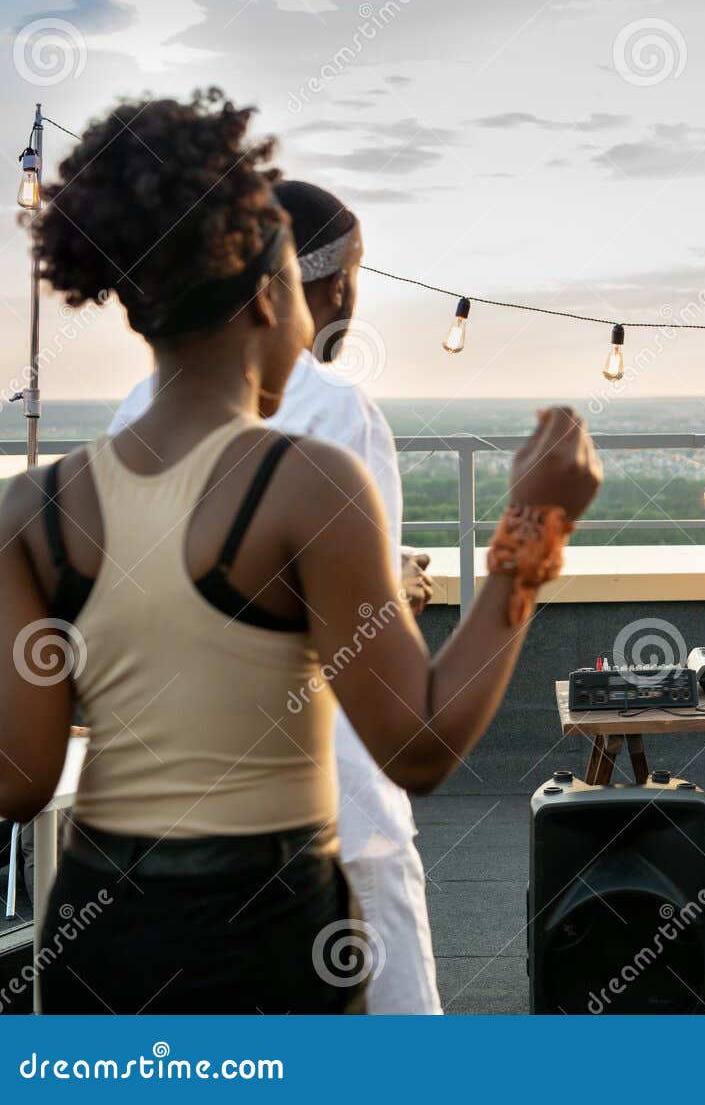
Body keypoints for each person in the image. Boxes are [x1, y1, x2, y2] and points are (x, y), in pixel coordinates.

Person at [0, 89, 602, 1013]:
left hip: (101, 931)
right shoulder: (310, 481)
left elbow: (21, 777)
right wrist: (534, 530)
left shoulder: (27, 511)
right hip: (266, 926)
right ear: (266, 293)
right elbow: (422, 744)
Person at [107, 180, 444, 1014]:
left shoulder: (134, 411)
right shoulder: (342, 411)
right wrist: (395, 587)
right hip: (337, 798)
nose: (350, 299)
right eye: (352, 274)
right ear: (322, 282)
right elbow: (356, 634)